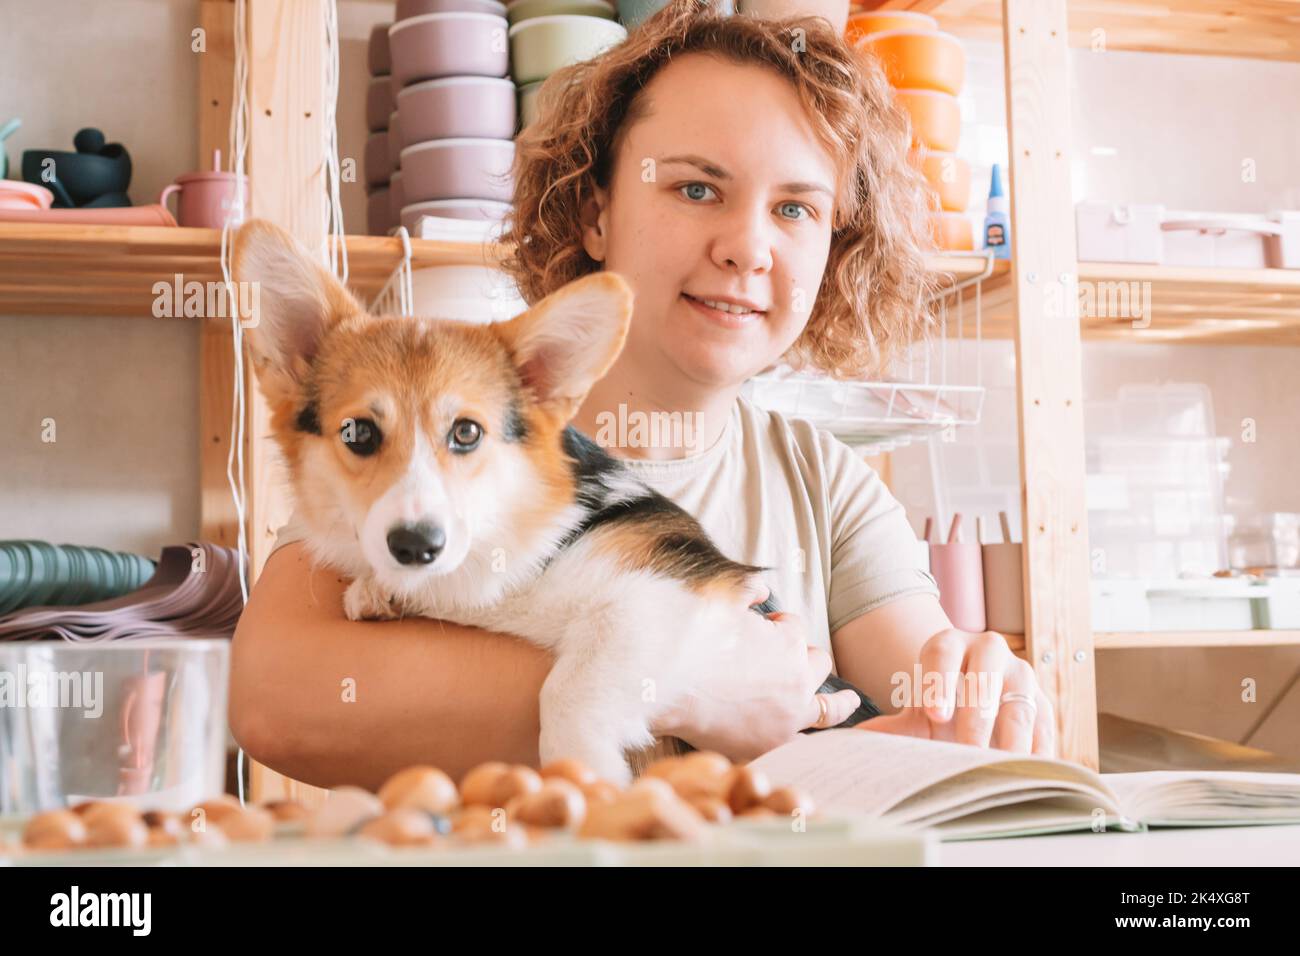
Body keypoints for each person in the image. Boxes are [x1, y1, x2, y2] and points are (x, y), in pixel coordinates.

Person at [230, 0, 1055, 792]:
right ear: (593, 212)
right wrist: (690, 687)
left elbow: (926, 693)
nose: (746, 247)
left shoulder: (825, 483)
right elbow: (277, 703)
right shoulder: (411, 441)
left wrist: (976, 691)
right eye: (696, 188)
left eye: (796, 207)